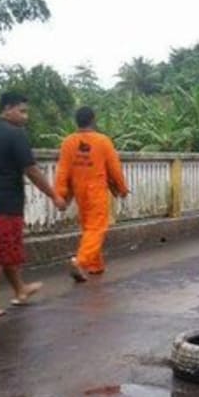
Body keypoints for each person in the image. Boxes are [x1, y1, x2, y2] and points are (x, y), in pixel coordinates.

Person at [0, 91, 66, 315]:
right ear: (7, 109)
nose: (25, 117)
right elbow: (31, 170)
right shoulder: (15, 134)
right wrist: (54, 196)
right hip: (5, 203)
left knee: (4, 248)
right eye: (22, 111)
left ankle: (20, 289)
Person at [54, 106, 129, 282]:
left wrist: (61, 194)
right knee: (97, 227)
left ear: (76, 121)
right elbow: (114, 168)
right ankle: (80, 261)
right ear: (93, 120)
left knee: (89, 227)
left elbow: (63, 171)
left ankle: (95, 265)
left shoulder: (68, 142)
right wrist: (122, 188)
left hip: (79, 190)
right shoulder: (103, 141)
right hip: (96, 189)